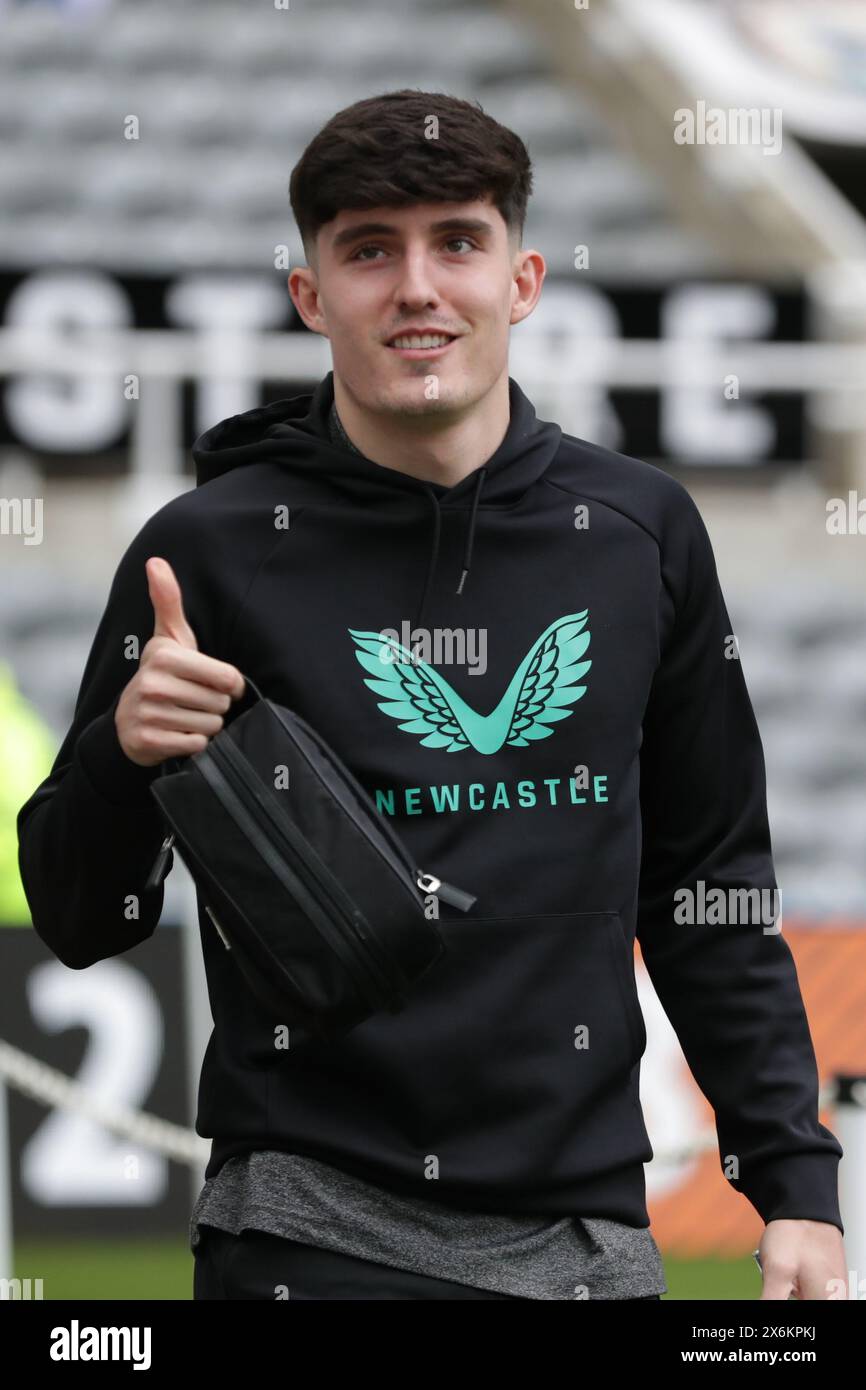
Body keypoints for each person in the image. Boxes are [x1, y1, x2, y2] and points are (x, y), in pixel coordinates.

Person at [17, 90, 845, 1302]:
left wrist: (794, 1187)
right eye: (368, 250)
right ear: (310, 296)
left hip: (585, 1243)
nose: (416, 287)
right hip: (306, 1228)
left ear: (521, 279)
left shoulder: (638, 533)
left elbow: (707, 890)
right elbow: (78, 919)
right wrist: (120, 756)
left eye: (456, 241)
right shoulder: (203, 549)